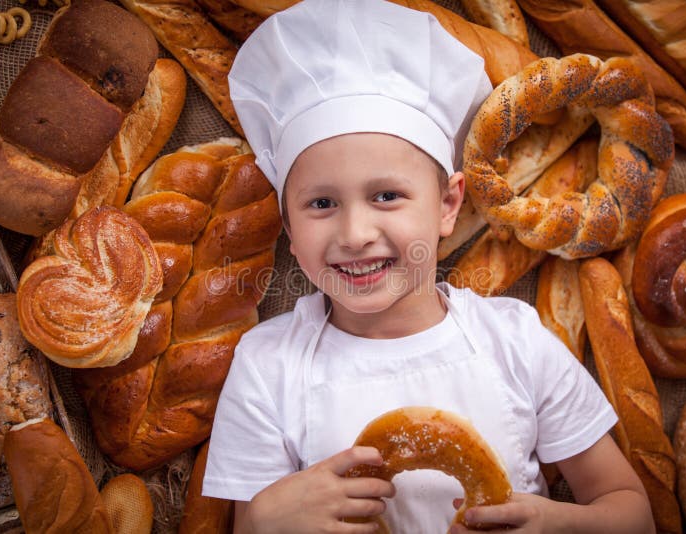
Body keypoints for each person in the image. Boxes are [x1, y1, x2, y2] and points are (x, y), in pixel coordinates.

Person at [202, 1, 654, 532]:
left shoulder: (516, 342)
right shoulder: (267, 366)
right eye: (321, 204)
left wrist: (557, 524)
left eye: (387, 196)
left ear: (447, 205)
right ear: (289, 231)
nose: (355, 234)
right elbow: (246, 525)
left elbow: (632, 511)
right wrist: (265, 521)